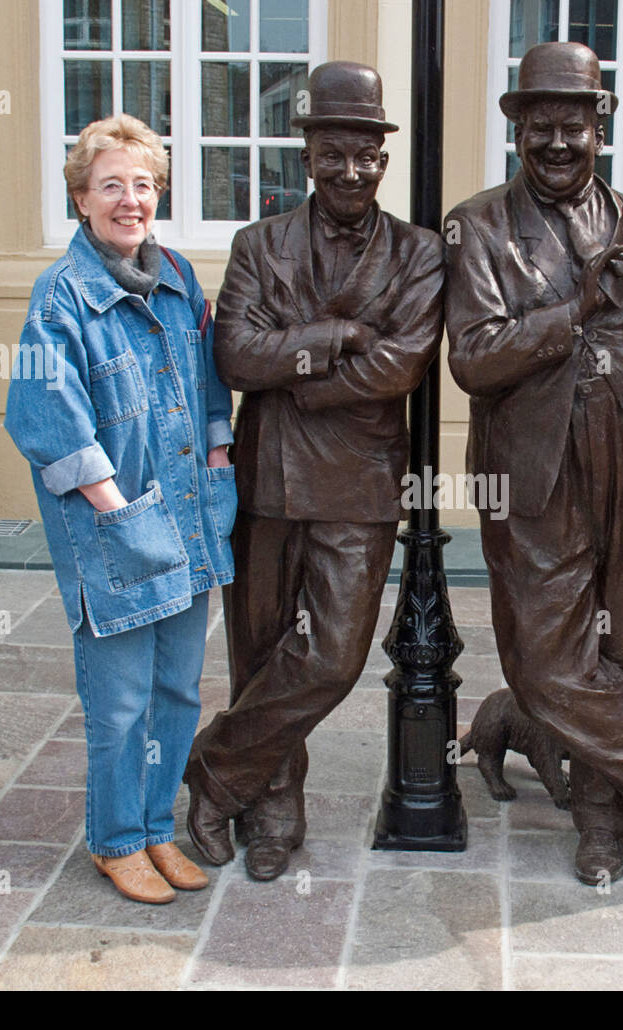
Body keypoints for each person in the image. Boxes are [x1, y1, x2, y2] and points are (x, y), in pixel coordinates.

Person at [444, 41, 623, 886]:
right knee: (545, 659)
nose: (557, 144)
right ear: (516, 129)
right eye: (539, 128)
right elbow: (475, 357)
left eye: (574, 126)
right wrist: (574, 311)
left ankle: (604, 821)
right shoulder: (480, 223)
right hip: (530, 467)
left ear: (601, 125)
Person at [183, 62, 443, 881]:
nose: (352, 170)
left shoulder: (419, 253)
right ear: (308, 155)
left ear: (385, 158)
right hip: (264, 482)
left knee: (330, 656)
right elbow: (233, 352)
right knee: (260, 653)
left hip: (360, 486)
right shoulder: (257, 244)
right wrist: (334, 334)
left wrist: (288, 363)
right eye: (335, 152)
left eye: (366, 153)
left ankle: (217, 766)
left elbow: (401, 366)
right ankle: (274, 802)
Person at [5, 114, 237, 904]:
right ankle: (114, 839)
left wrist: (217, 457)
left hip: (187, 517)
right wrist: (117, 505)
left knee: (179, 691)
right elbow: (43, 417)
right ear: (80, 199)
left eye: (142, 185)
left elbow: (209, 387)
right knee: (120, 701)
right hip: (117, 531)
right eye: (111, 186)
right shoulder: (59, 294)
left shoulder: (176, 276)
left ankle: (157, 826)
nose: (129, 200)